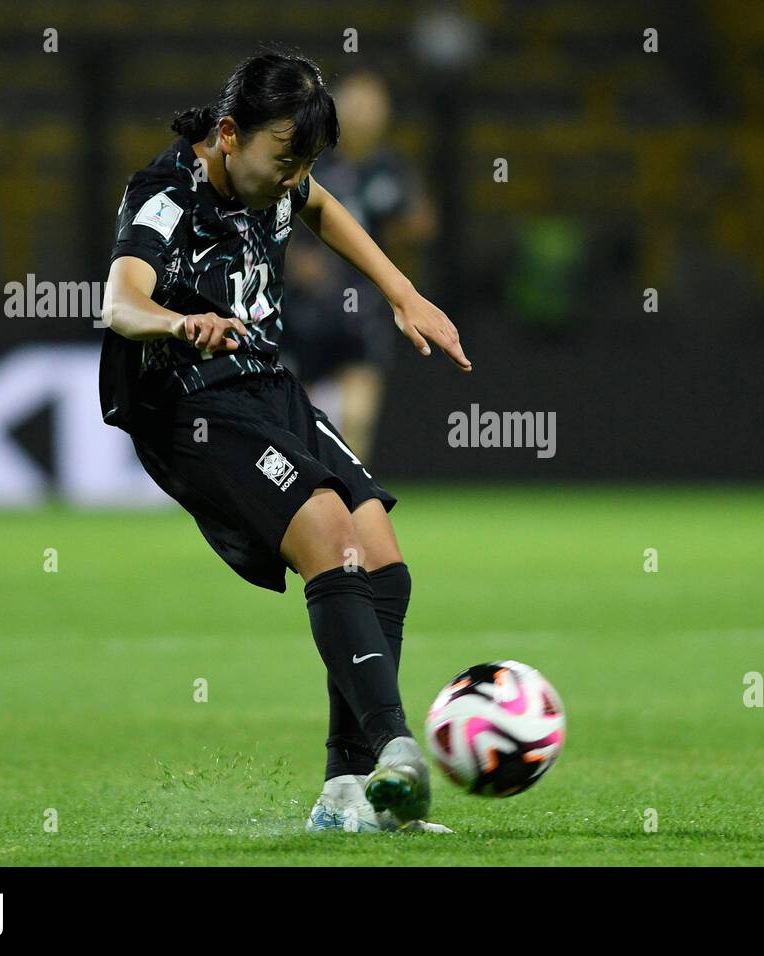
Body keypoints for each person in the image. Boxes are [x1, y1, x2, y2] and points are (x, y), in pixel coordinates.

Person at [97, 49, 471, 833]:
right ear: (229, 133)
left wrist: (403, 293)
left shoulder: (280, 168)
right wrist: (179, 320)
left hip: (266, 384)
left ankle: (344, 796)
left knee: (383, 555)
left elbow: (323, 207)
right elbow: (122, 302)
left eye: (304, 160)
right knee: (333, 540)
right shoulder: (166, 193)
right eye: (282, 157)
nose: (291, 175)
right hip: (190, 399)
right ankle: (393, 750)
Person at [276, 70, 438, 462]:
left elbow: (421, 224)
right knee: (299, 414)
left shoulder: (392, 168)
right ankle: (305, 492)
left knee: (357, 416)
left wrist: (407, 229)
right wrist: (296, 260)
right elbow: (275, 216)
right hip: (307, 305)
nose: (366, 115)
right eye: (358, 105)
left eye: (374, 106)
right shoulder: (313, 161)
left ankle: (353, 493)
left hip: (363, 304)